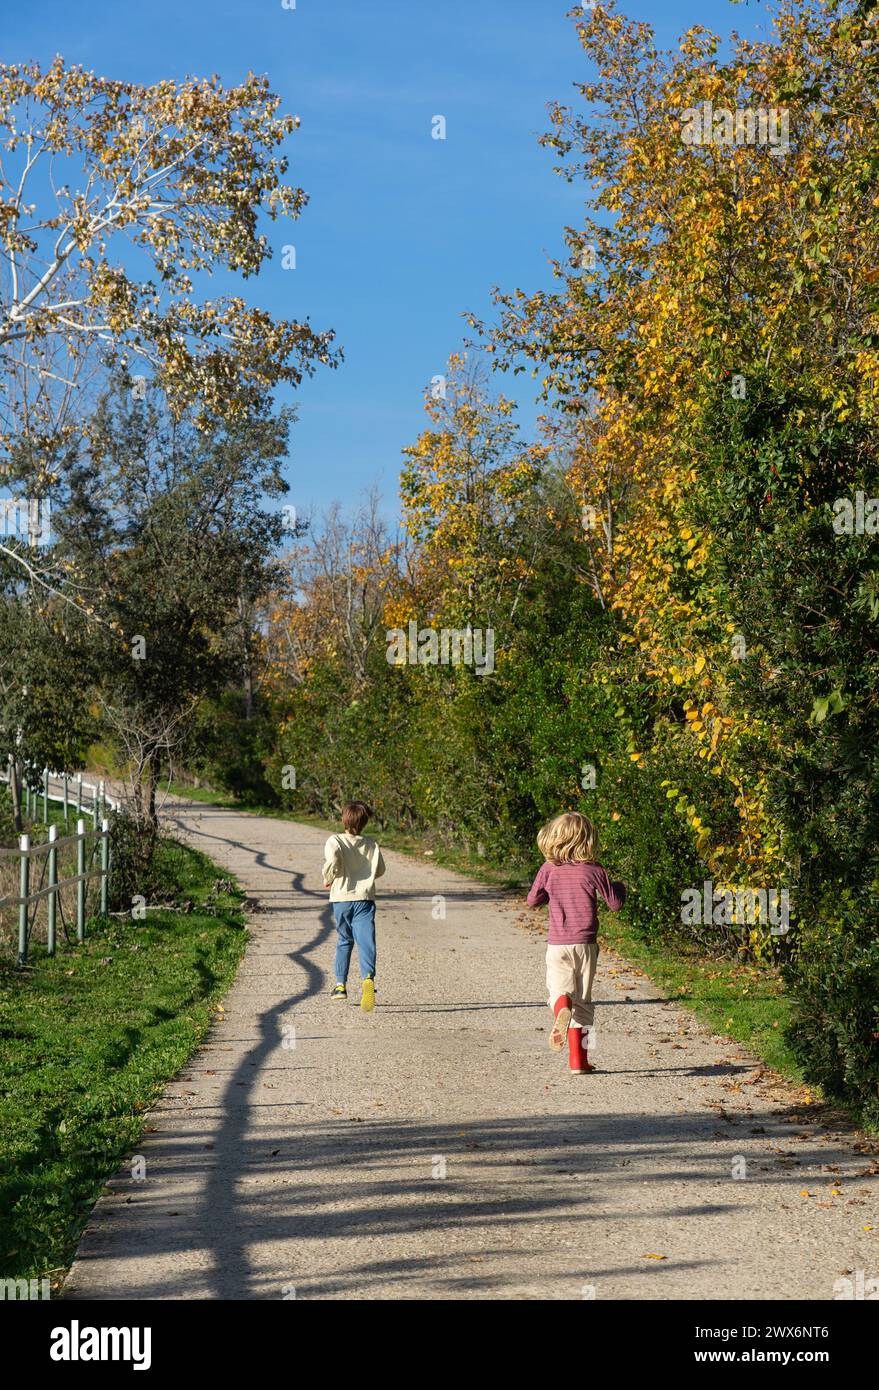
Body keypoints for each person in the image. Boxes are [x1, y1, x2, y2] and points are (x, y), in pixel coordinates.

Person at [526, 811, 626, 1074]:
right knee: (583, 1002)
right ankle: (578, 1063)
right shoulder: (595, 870)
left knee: (559, 993)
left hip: (557, 944)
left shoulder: (548, 869)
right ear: (588, 841)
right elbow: (614, 904)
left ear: (554, 839)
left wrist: (552, 893)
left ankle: (561, 1007)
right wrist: (620, 887)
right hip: (586, 945)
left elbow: (532, 901)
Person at [322, 800, 386, 1011]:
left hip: (342, 898)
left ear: (344, 819)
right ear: (365, 822)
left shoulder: (335, 841)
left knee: (344, 940)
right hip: (365, 899)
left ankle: (340, 986)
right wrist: (366, 876)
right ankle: (368, 977)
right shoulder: (371, 844)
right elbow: (380, 870)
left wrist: (328, 878)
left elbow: (333, 862)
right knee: (366, 941)